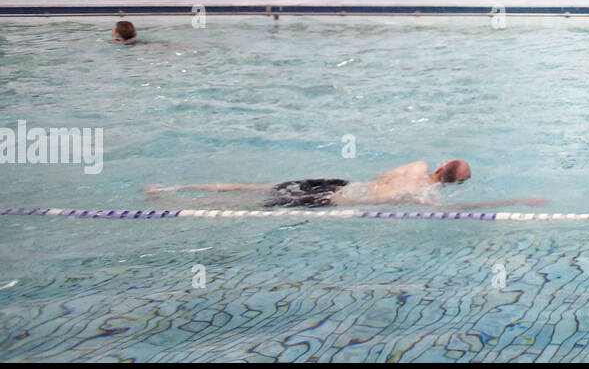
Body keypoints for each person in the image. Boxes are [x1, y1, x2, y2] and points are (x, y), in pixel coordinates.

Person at [147, 159, 545, 210]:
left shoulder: (417, 166)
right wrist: (516, 199)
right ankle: (180, 203)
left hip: (338, 182)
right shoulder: (425, 195)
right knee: (250, 206)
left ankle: (172, 190)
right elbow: (455, 211)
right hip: (330, 198)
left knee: (252, 187)